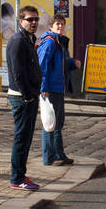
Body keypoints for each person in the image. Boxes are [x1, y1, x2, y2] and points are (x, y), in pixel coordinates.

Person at [6, 5, 43, 191]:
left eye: (36, 19)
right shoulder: (18, 41)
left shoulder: (29, 39)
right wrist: (28, 96)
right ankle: (17, 178)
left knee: (26, 138)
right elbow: (18, 73)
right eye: (30, 20)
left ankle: (20, 173)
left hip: (29, 95)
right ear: (21, 22)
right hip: (21, 97)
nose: (34, 22)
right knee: (21, 138)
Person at [37, 18, 75, 167]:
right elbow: (42, 65)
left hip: (59, 87)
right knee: (50, 123)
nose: (60, 26)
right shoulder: (50, 42)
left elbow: (61, 64)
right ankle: (48, 157)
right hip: (51, 89)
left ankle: (59, 154)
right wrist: (43, 87)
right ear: (51, 27)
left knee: (58, 123)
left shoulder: (60, 42)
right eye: (57, 24)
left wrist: (72, 63)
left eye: (62, 24)